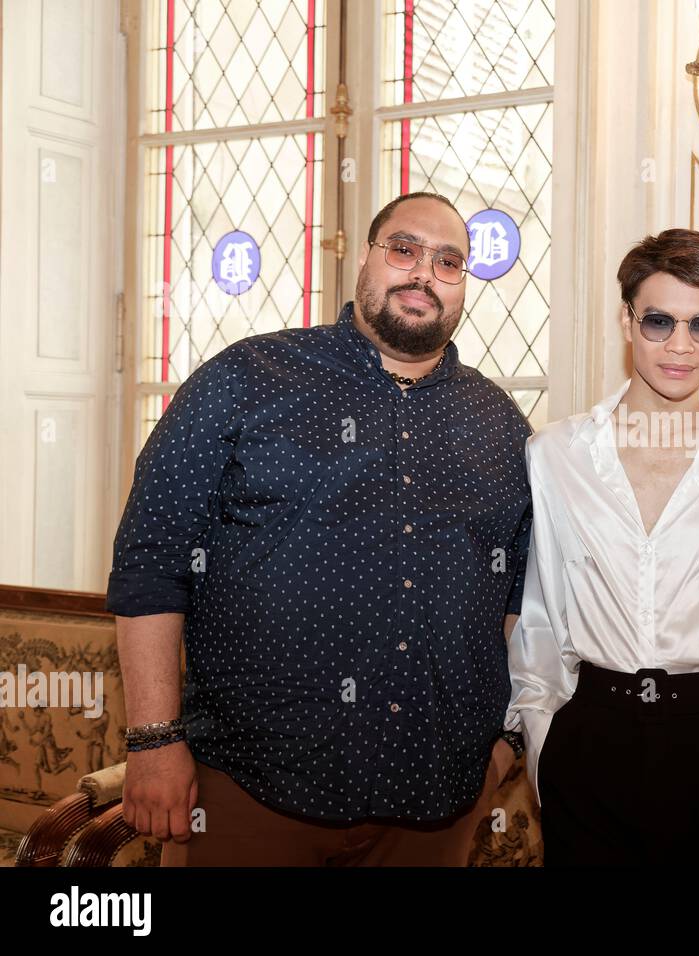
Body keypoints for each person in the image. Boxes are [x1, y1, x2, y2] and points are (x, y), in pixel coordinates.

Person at [107, 191, 530, 866]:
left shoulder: (500, 425)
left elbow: (524, 604)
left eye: (449, 261)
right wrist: (154, 741)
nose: (424, 272)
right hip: (254, 791)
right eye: (404, 248)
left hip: (435, 806)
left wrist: (506, 746)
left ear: (464, 284)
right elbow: (151, 562)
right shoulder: (243, 380)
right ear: (364, 258)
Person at [506, 229, 699, 865]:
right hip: (588, 742)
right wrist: (543, 733)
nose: (680, 346)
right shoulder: (555, 453)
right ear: (628, 322)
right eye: (659, 321)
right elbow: (541, 616)